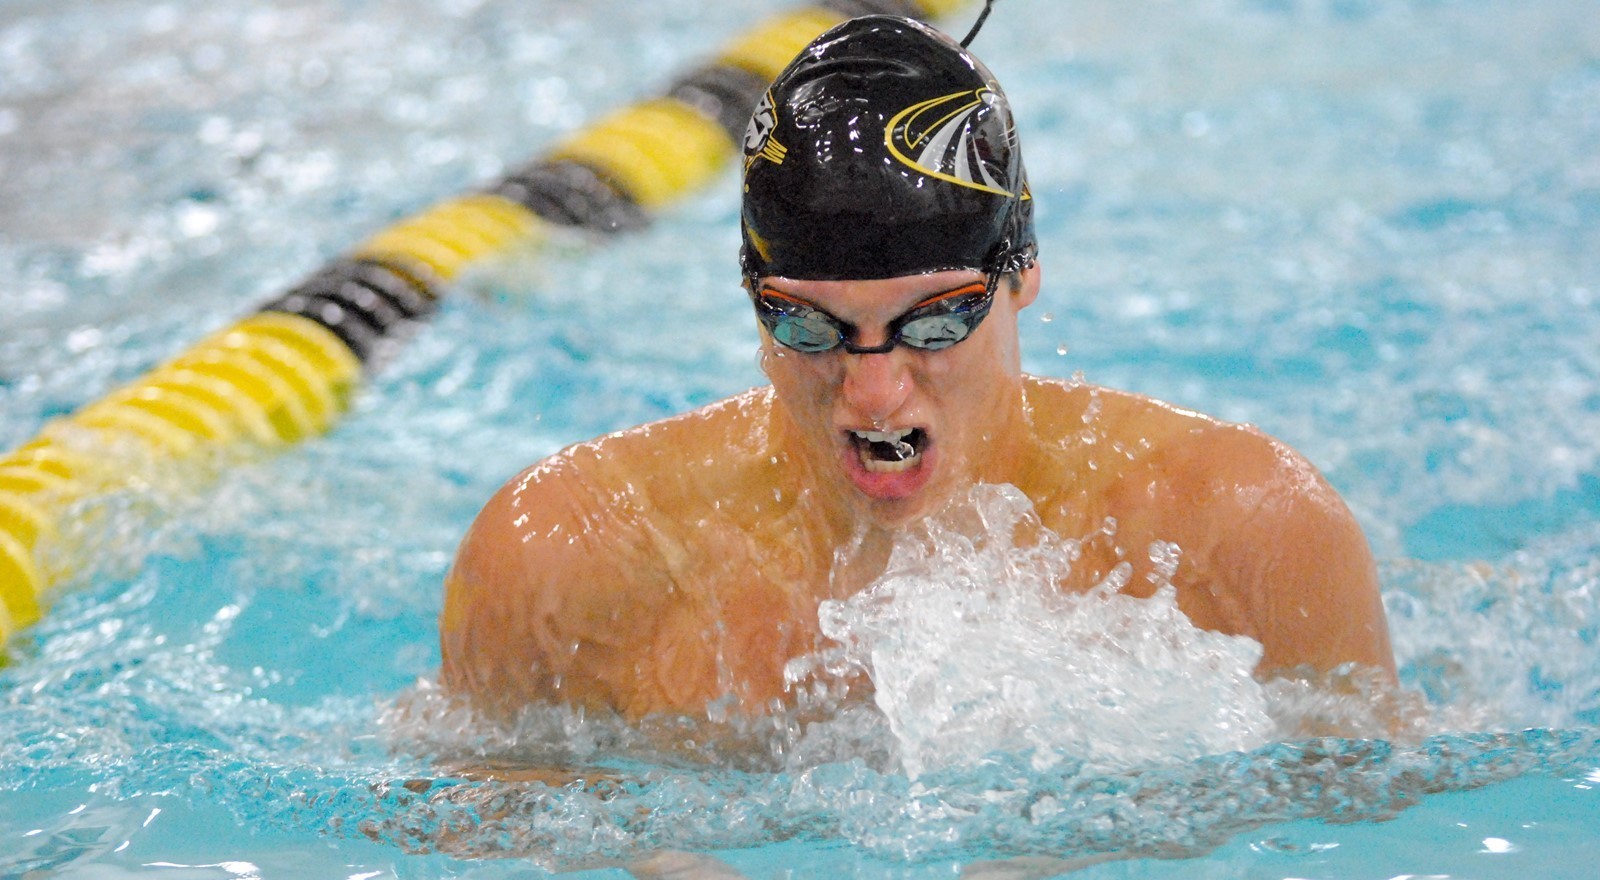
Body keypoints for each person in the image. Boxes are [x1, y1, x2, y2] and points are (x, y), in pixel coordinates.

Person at [438, 14, 1395, 723]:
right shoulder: (569, 558)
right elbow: (473, 825)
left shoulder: (1242, 529)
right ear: (752, 297)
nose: (874, 390)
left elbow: (1369, 810)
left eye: (933, 324)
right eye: (811, 328)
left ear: (1021, 278)